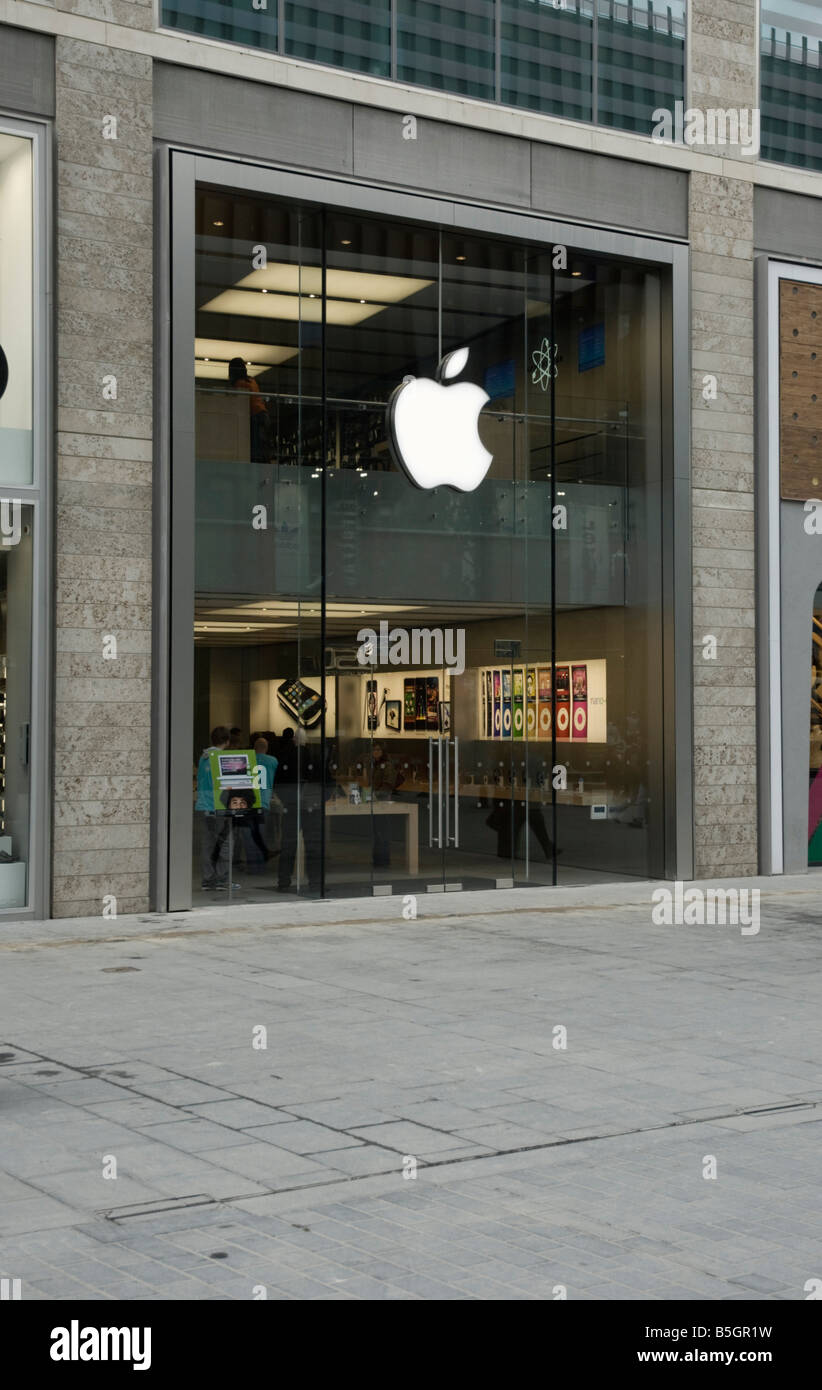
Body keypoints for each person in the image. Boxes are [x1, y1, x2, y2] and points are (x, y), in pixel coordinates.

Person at [276, 726, 322, 894]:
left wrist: (287, 802)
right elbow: (327, 782)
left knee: (288, 845)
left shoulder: (286, 757)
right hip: (310, 809)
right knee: (313, 846)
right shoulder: (314, 758)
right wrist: (317, 802)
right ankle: (315, 882)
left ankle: (283, 880)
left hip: (292, 808)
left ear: (294, 740)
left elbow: (278, 783)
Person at [194, 725, 230, 889]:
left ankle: (208, 879)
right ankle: (222, 878)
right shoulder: (222, 758)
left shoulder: (204, 757)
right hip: (219, 805)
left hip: (204, 804)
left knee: (208, 843)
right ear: (227, 741)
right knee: (224, 842)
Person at [228, 357, 271, 464]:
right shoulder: (252, 380)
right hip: (263, 414)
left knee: (255, 446)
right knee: (263, 444)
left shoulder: (239, 384)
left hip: (255, 416)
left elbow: (239, 404)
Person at [369, 741, 403, 868]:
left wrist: (376, 794)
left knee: (382, 830)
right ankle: (378, 858)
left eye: (378, 750)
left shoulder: (386, 765)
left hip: (382, 801)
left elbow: (388, 784)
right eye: (374, 750)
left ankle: (383, 859)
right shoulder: (375, 765)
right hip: (376, 800)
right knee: (377, 830)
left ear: (383, 752)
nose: (375, 752)